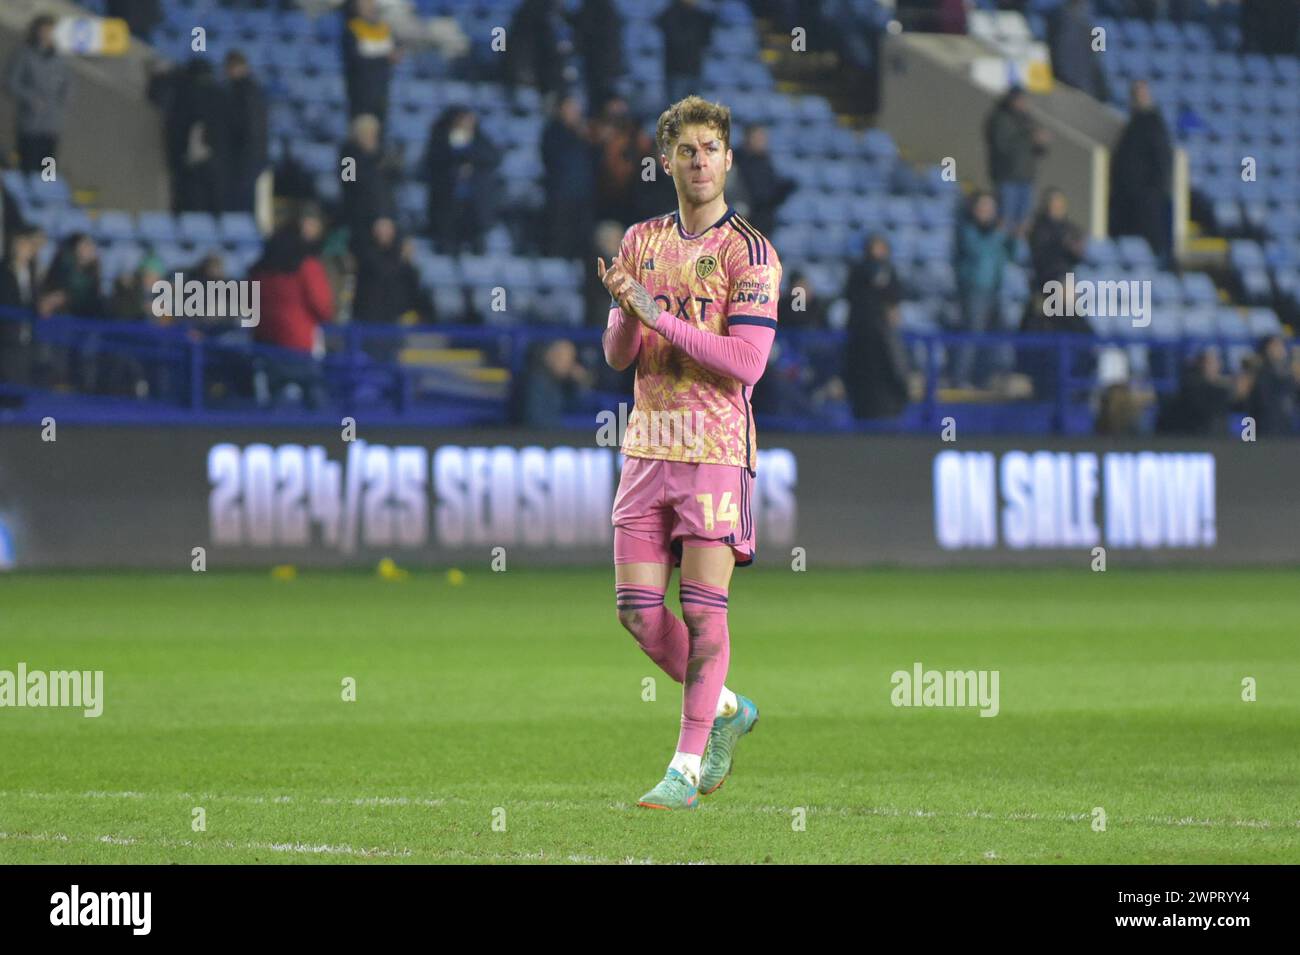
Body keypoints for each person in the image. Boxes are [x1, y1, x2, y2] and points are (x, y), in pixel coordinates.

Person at [597, 95, 781, 810]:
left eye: (711, 148)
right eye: (686, 149)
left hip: (713, 450)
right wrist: (622, 308)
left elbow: (747, 362)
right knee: (638, 611)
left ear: (728, 158)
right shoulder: (641, 240)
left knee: (705, 613)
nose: (699, 160)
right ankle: (730, 707)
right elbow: (619, 355)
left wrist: (660, 317)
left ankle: (685, 765)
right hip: (647, 448)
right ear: (667, 160)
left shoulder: (751, 253)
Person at [250, 210, 334, 408]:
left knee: (276, 398)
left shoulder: (260, 268)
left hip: (266, 341)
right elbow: (322, 306)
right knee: (316, 396)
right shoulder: (307, 266)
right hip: (300, 342)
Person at [953, 191, 1015, 387]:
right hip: (974, 290)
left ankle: (990, 377)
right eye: (982, 207)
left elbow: (1013, 255)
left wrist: (1014, 237)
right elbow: (978, 251)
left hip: (995, 289)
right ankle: (960, 378)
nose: (986, 212)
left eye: (990, 208)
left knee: (998, 335)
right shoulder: (967, 230)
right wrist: (1000, 234)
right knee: (973, 334)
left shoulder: (997, 233)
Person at [843, 235, 909, 418]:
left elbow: (895, 296)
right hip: (862, 335)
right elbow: (851, 295)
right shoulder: (858, 270)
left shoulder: (890, 271)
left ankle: (889, 411)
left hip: (883, 336)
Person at [421, 106, 500, 254]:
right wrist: (457, 166)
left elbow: (493, 158)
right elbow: (435, 162)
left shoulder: (480, 140)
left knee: (478, 249)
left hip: (474, 206)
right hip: (447, 205)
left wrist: (470, 163)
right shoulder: (441, 138)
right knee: (447, 247)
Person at [1110, 80, 1173, 265]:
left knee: (1149, 245)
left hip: (1146, 199)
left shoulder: (1153, 124)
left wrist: (1154, 190)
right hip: (1129, 199)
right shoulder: (1133, 124)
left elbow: (1160, 160)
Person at [5, 15, 70, 174]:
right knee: (27, 165)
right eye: (44, 31)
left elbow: (67, 84)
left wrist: (62, 102)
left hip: (51, 124)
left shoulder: (60, 58)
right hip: (30, 122)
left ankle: (46, 193)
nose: (47, 35)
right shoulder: (24, 54)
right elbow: (11, 82)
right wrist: (30, 98)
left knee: (48, 166)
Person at [983, 87, 1048, 237]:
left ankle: (1017, 253)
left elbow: (1038, 151)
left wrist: (1041, 142)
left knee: (1024, 222)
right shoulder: (999, 118)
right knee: (1005, 219)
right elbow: (1002, 145)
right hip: (1007, 177)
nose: (1023, 103)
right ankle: (1000, 252)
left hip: (1026, 177)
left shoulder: (1028, 119)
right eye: (1020, 100)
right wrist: (1029, 138)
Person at [540, 95, 598, 260]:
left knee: (582, 239)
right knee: (560, 238)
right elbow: (553, 159)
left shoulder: (584, 134)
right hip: (561, 194)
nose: (575, 112)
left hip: (583, 194)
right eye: (571, 108)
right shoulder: (553, 132)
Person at [339, 113, 397, 252]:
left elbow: (389, 183)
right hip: (358, 215)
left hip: (380, 213)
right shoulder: (349, 154)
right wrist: (370, 162)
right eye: (368, 133)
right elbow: (348, 181)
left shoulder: (381, 154)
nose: (372, 137)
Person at [222, 51, 268, 214]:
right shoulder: (250, 90)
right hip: (249, 157)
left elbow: (248, 126)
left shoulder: (245, 92)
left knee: (240, 204)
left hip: (245, 157)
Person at [732, 125, 796, 238]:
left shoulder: (765, 162)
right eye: (758, 138)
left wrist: (784, 189)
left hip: (763, 223)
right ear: (748, 138)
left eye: (763, 139)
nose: (762, 142)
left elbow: (769, 194)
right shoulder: (735, 161)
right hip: (742, 220)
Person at [342, 0, 398, 126]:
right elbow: (355, 59)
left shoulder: (384, 29)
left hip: (381, 91)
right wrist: (384, 59)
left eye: (371, 4)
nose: (370, 7)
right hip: (360, 91)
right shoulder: (352, 29)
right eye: (365, 4)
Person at [656, 0, 716, 103]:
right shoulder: (670, 13)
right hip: (675, 72)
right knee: (676, 111)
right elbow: (675, 39)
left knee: (696, 113)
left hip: (695, 71)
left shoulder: (701, 15)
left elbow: (707, 40)